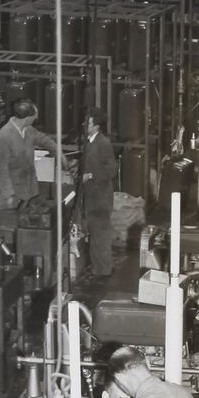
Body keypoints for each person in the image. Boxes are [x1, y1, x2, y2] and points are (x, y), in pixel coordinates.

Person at [0, 96, 61, 210]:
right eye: (35, 116)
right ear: (27, 119)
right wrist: (9, 195)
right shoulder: (4, 136)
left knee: (30, 223)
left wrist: (57, 151)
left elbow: (43, 139)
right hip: (14, 193)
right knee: (11, 225)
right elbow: (0, 168)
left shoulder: (28, 130)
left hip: (31, 190)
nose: (37, 118)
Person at [78, 106, 117, 282]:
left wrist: (91, 175)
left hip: (100, 197)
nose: (84, 124)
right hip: (92, 196)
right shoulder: (89, 142)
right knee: (94, 234)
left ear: (96, 126)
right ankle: (97, 268)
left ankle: (103, 271)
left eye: (88, 122)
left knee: (100, 236)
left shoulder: (103, 143)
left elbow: (112, 170)